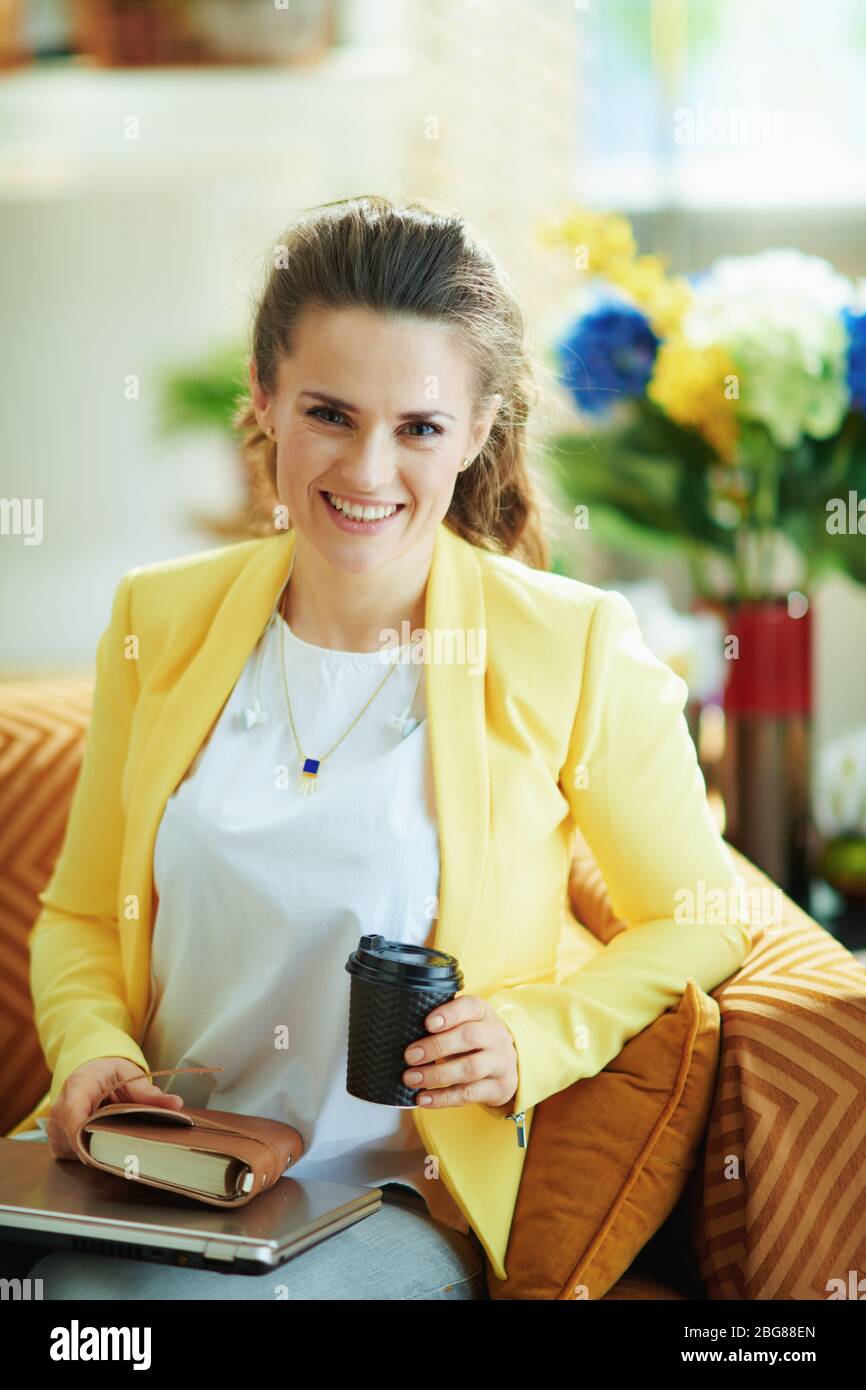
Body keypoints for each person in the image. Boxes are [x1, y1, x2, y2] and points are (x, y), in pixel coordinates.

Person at [8, 195, 751, 1300]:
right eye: (328, 412)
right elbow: (76, 915)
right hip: (154, 1173)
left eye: (417, 427)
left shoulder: (568, 645)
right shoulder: (154, 619)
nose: (365, 470)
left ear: (479, 428)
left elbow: (700, 921)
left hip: (383, 1198)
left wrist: (532, 1037)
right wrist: (90, 1053)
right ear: (263, 402)